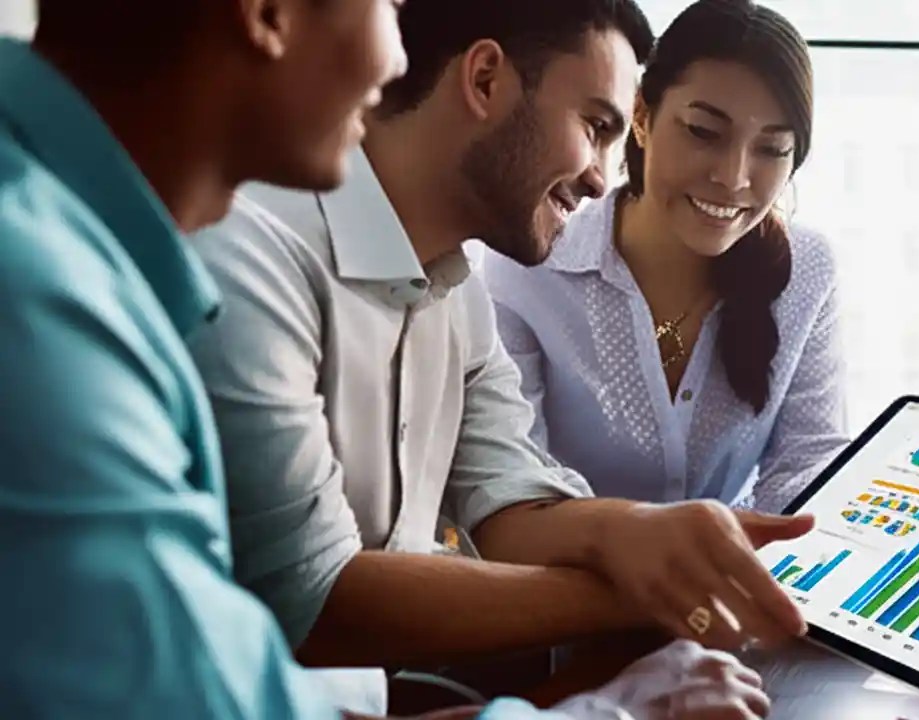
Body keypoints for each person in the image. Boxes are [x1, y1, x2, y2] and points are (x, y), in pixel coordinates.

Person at [0, 1, 773, 718]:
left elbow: (505, 500)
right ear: (268, 12)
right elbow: (283, 628)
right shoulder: (53, 295)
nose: (392, 60)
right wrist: (640, 629)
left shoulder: (451, 283)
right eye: (383, 6)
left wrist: (642, 539)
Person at [486, 0, 849, 515]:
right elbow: (515, 485)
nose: (733, 177)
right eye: (703, 132)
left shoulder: (807, 270)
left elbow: (808, 468)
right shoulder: (533, 261)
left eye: (772, 150)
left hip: (740, 580)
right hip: (564, 579)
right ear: (641, 115)